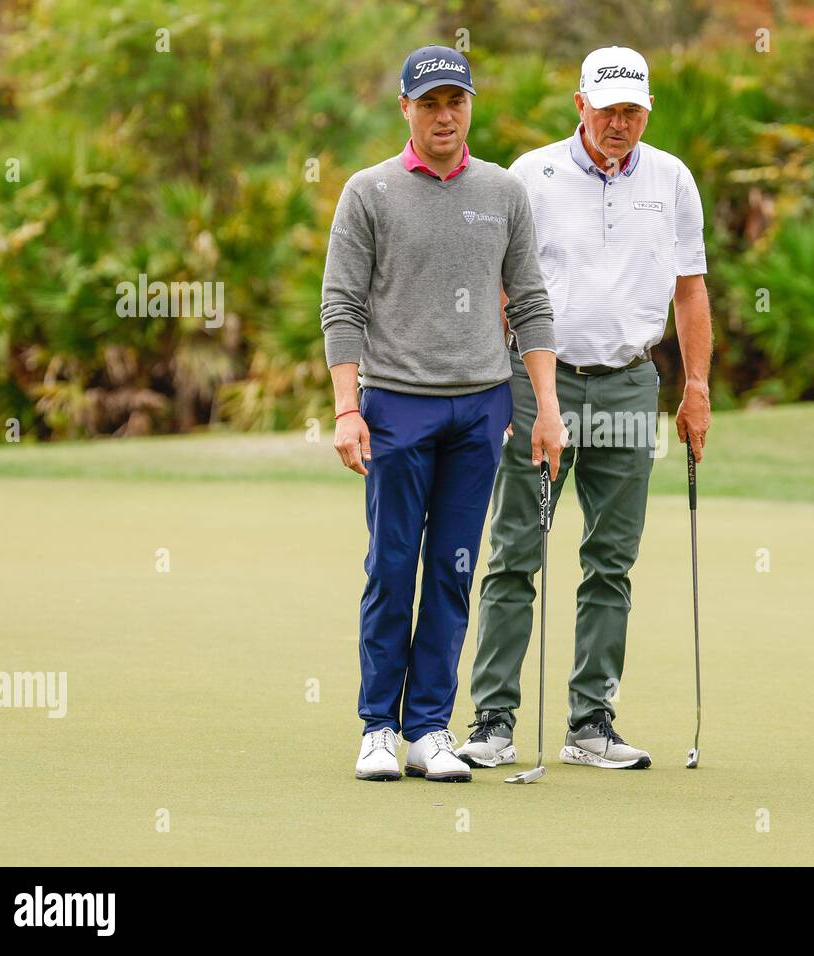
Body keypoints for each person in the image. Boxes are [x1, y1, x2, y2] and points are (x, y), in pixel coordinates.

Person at [457, 46, 713, 771]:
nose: (619, 124)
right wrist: (499, 382)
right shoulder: (528, 176)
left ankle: (591, 723)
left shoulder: (672, 179)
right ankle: (493, 722)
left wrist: (695, 389)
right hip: (543, 383)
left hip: (632, 381)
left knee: (611, 561)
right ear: (580, 105)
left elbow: (689, 289)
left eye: (632, 112)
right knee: (515, 553)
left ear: (646, 113)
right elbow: (497, 286)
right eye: (607, 110)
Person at [320, 45, 565, 783]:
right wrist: (346, 408)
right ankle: (378, 727)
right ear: (405, 109)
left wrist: (546, 408)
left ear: (470, 107)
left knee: (455, 570)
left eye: (455, 101)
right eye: (429, 103)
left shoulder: (503, 192)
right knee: (392, 567)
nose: (444, 115)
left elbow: (529, 302)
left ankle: (429, 727)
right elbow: (343, 305)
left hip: (481, 407)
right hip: (396, 405)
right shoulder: (370, 192)